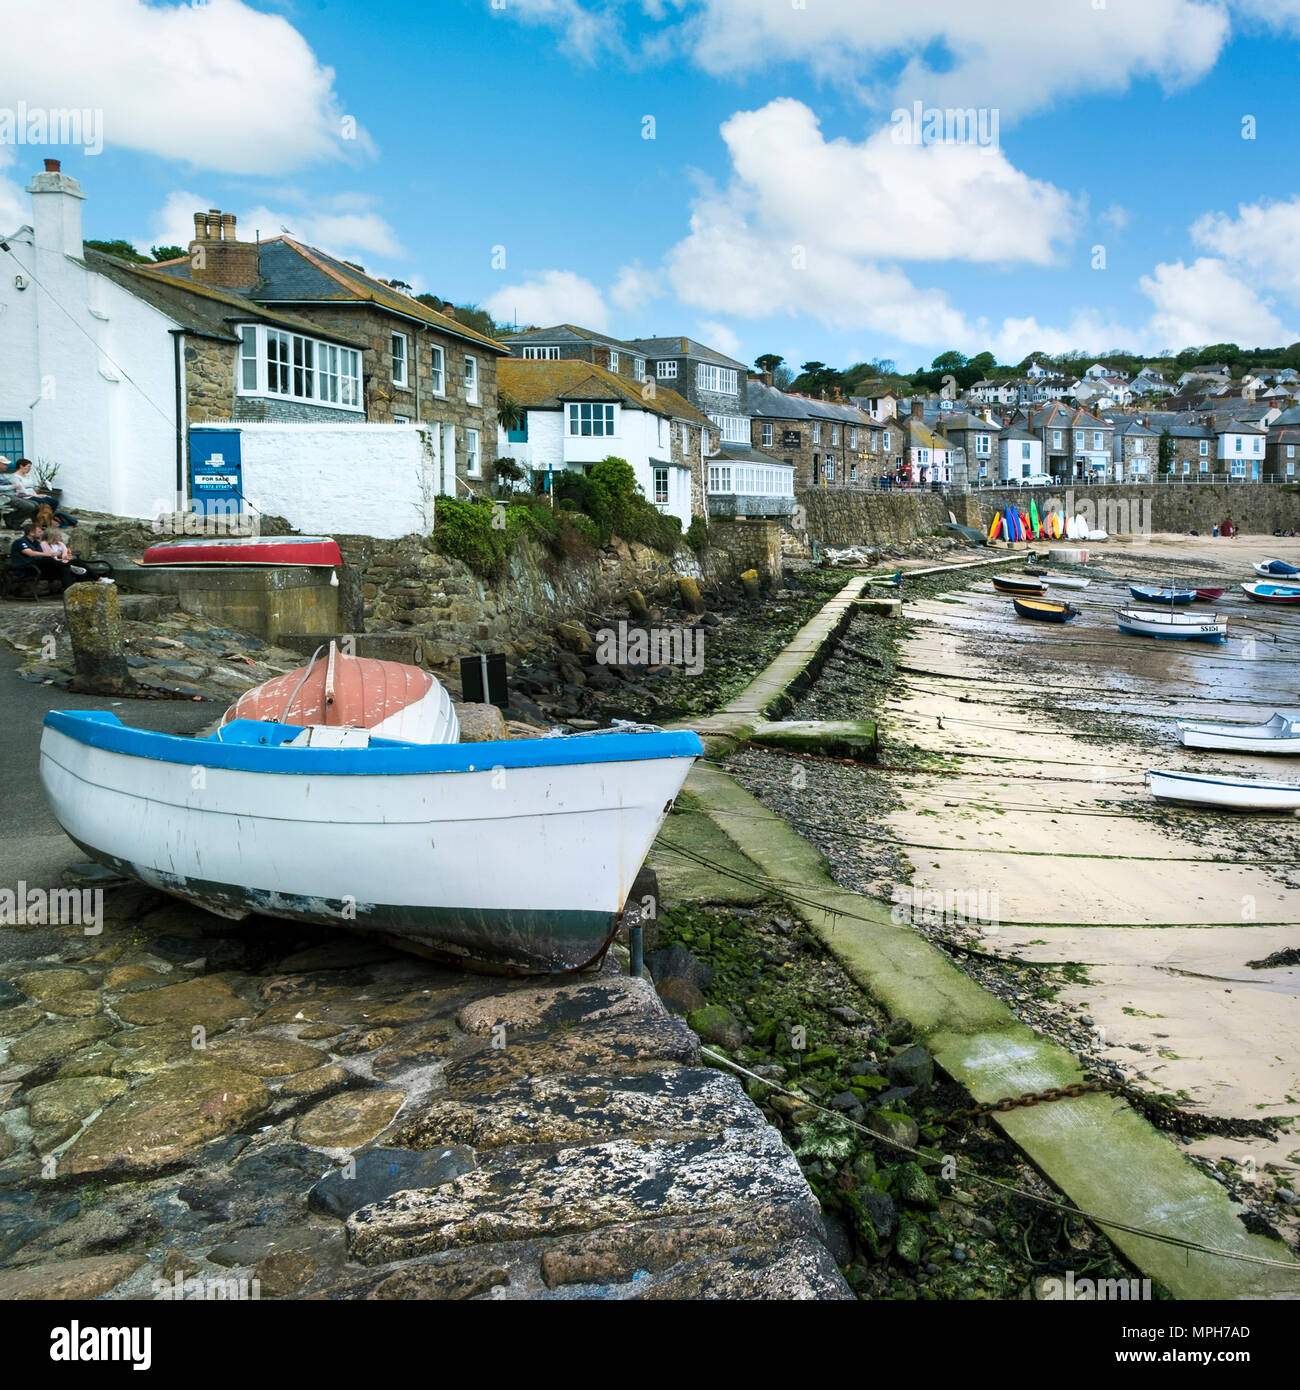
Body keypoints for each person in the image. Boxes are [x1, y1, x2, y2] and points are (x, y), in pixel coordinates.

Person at [8, 459, 77, 527]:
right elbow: (21, 492)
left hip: (33, 494)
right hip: (24, 496)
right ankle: (41, 520)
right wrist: (37, 496)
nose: (30, 469)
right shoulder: (14, 477)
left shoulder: (27, 476)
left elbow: (33, 489)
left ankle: (47, 519)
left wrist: (40, 486)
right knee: (44, 503)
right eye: (28, 466)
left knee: (54, 501)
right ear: (21, 466)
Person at [9, 523, 75, 592]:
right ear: (31, 533)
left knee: (64, 568)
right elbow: (30, 553)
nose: (42, 533)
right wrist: (50, 554)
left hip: (38, 566)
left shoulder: (36, 543)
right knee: (51, 561)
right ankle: (70, 567)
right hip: (27, 568)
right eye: (39, 532)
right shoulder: (20, 542)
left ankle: (70, 592)